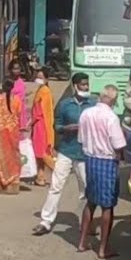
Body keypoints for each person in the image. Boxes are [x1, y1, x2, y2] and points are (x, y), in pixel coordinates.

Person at [33, 73, 94, 236]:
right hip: (66, 151)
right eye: (82, 85)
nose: (86, 87)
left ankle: (86, 223)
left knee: (87, 190)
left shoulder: (93, 104)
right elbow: (57, 124)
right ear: (74, 86)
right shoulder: (65, 105)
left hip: (84, 153)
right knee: (55, 186)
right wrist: (66, 129)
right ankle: (45, 221)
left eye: (87, 84)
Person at [76, 85, 127, 260]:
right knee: (107, 206)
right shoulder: (111, 118)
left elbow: (81, 139)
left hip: (90, 159)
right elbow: (119, 145)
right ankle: (103, 248)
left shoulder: (86, 113)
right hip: (107, 161)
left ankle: (82, 242)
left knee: (91, 201)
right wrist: (121, 158)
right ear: (113, 100)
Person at [0, 79, 23, 195]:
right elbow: (19, 116)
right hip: (13, 134)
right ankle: (12, 186)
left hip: (0, 134)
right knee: (13, 159)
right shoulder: (17, 100)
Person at [31, 67, 55, 186]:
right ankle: (40, 178)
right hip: (38, 126)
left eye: (41, 77)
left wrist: (30, 123)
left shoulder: (45, 91)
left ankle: (57, 172)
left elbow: (40, 112)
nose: (38, 79)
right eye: (38, 77)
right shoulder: (42, 89)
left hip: (41, 126)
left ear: (46, 79)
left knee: (43, 154)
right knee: (38, 154)